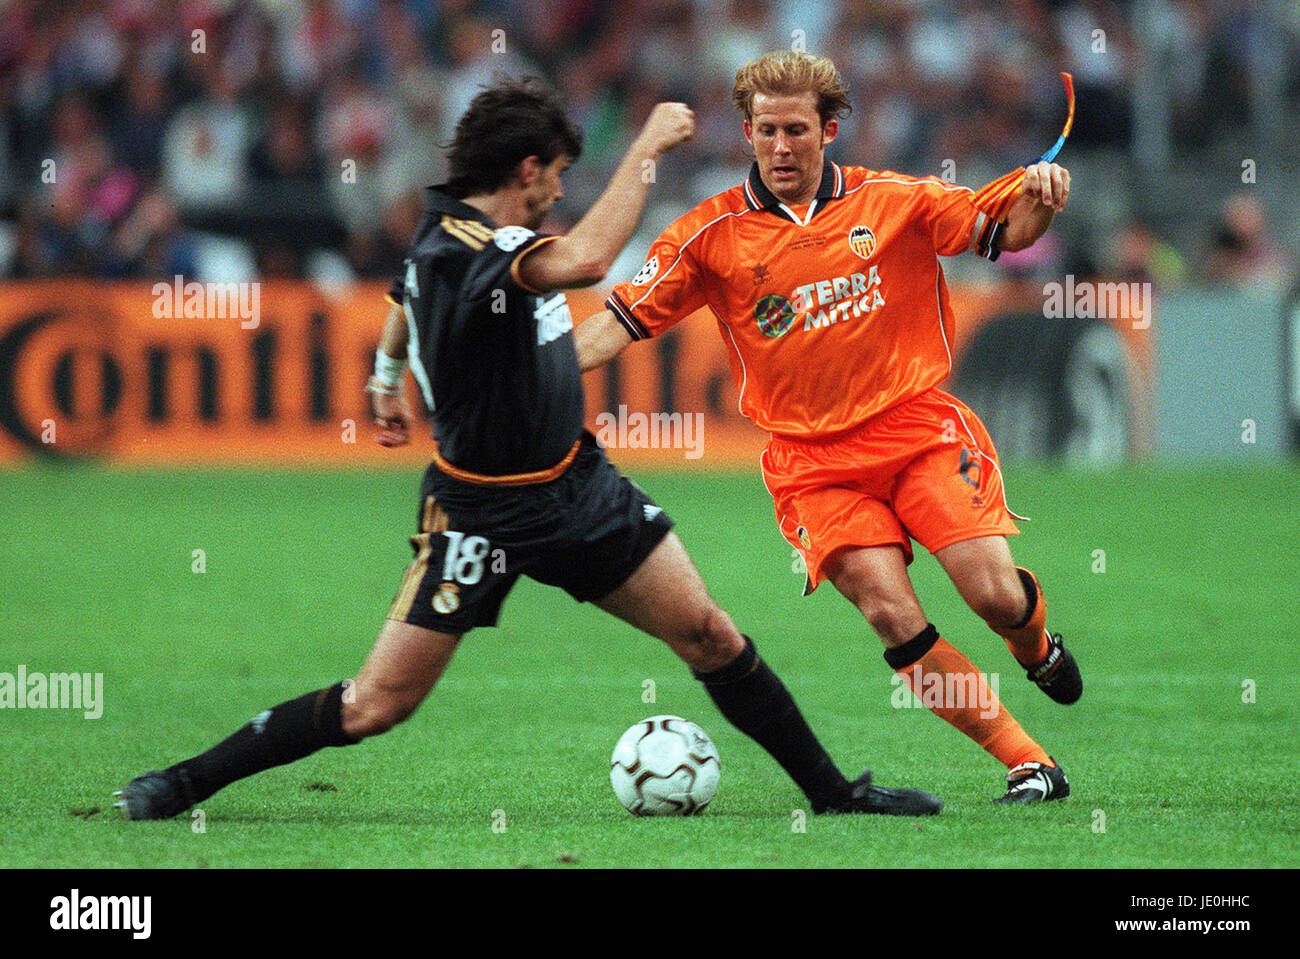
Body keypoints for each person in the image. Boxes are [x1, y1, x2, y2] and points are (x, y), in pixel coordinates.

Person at [116, 78, 941, 821]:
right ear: (525, 169)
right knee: (376, 703)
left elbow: (403, 295)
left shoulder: (452, 235)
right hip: (479, 512)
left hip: (578, 486)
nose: (557, 193)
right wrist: (647, 148)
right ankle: (184, 782)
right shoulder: (471, 250)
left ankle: (834, 795)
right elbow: (584, 260)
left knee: (711, 635)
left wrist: (382, 373)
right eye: (555, 177)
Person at [576, 52, 1083, 803]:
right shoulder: (707, 236)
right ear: (746, 132)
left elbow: (1004, 231)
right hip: (812, 464)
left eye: (797, 130)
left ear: (830, 130)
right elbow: (618, 322)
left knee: (992, 596)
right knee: (891, 613)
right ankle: (1028, 760)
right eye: (766, 131)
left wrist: (1042, 199)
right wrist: (535, 372)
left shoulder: (896, 199)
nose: (781, 147)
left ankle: (1032, 640)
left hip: (918, 429)